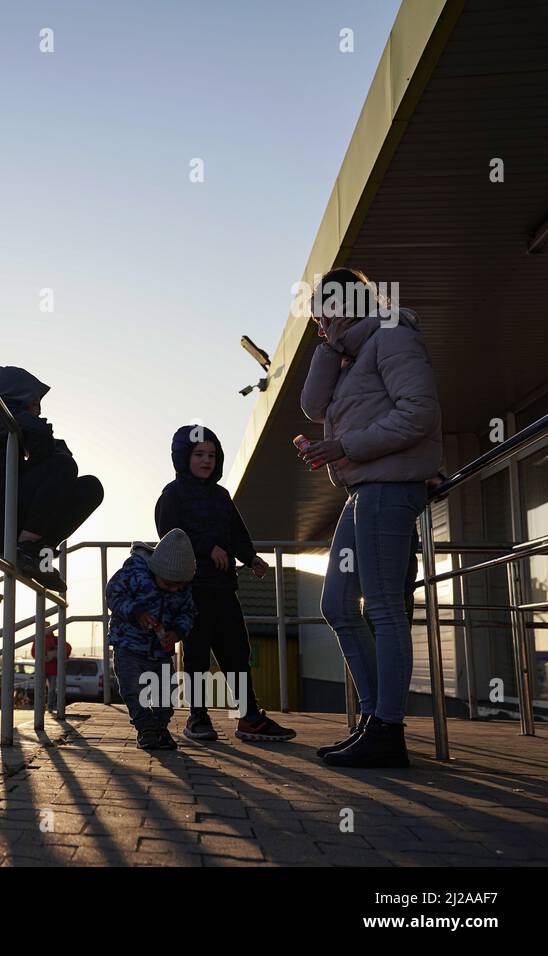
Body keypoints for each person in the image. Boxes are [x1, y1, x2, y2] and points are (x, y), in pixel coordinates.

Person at [299, 267, 441, 768]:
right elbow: (312, 405)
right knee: (338, 604)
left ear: (344, 303)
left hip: (389, 486)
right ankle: (375, 720)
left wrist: (347, 444)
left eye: (322, 312)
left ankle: (386, 729)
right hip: (361, 490)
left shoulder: (392, 335)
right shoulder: (349, 354)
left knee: (381, 606)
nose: (318, 323)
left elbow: (419, 412)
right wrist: (328, 348)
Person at [155, 424, 297, 743]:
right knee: (196, 654)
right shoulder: (172, 495)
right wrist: (207, 548)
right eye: (198, 454)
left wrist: (251, 558)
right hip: (191, 591)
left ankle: (249, 717)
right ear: (182, 458)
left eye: (212, 454)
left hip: (223, 589)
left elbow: (235, 532)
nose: (206, 460)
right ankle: (198, 717)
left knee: (236, 651)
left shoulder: (221, 496)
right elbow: (169, 536)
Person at [0, 366, 104, 592]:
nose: (39, 411)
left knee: (91, 488)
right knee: (63, 466)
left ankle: (39, 555)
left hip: (9, 516)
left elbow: (47, 444)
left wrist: (52, 449)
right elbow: (42, 440)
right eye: (35, 403)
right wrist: (52, 450)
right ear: (19, 397)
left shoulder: (10, 424)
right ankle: (29, 549)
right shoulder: (1, 414)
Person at [106, 530, 197, 750]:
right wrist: (136, 613)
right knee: (132, 689)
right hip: (128, 645)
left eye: (179, 585)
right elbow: (113, 594)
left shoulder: (182, 588)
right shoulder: (134, 573)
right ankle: (145, 729)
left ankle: (159, 728)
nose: (175, 589)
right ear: (156, 571)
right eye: (168, 583)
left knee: (168, 691)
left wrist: (178, 631)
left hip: (161, 650)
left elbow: (189, 612)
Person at [31, 625, 72, 712]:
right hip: (47, 668)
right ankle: (45, 707)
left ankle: (46, 707)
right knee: (49, 689)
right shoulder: (43, 639)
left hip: (49, 668)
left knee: (48, 689)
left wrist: (58, 656)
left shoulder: (53, 639)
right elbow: (34, 652)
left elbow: (68, 648)